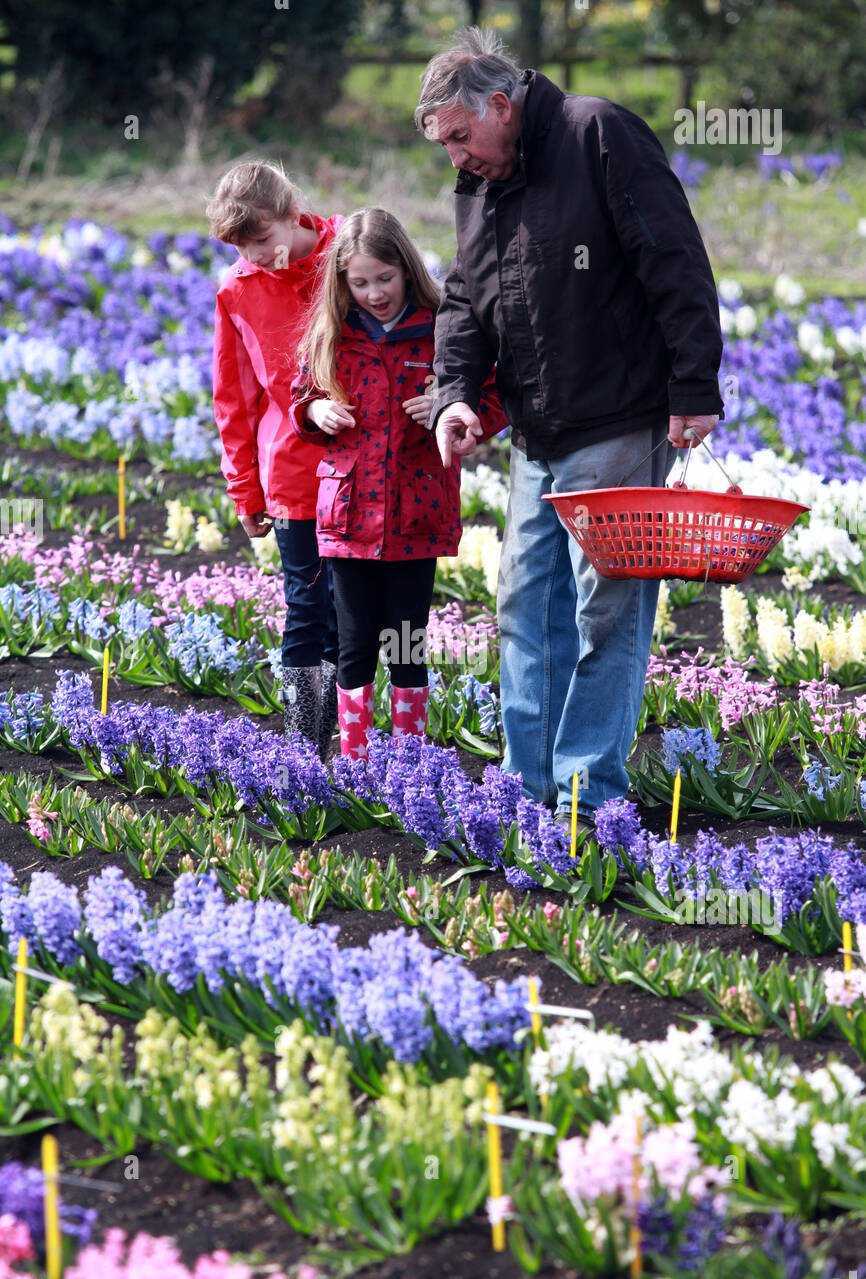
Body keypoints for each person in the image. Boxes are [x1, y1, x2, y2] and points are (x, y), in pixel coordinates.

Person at [416, 28, 723, 828]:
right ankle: (528, 788)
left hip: (619, 415)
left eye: (458, 136)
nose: (455, 156)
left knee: (607, 608)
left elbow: (674, 259)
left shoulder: (598, 133)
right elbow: (463, 300)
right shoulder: (481, 186)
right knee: (524, 605)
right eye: (444, 145)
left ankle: (590, 793)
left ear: (499, 103)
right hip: (536, 432)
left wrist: (694, 383)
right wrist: (454, 395)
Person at [289, 207, 506, 760]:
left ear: (407, 269)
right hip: (350, 515)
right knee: (356, 640)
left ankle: (411, 760)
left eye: (384, 278)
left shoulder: (443, 329)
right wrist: (316, 414)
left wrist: (452, 404)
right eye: (359, 283)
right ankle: (356, 760)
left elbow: (494, 394)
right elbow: (299, 397)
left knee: (407, 642)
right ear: (342, 282)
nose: (374, 293)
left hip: (418, 513)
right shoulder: (333, 335)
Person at [207, 160, 343, 757]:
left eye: (262, 240)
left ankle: (351, 742)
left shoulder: (350, 257)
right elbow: (233, 398)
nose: (255, 256)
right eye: (242, 248)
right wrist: (244, 489)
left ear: (293, 215)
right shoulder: (237, 290)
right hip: (290, 476)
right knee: (308, 605)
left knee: (355, 613)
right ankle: (302, 750)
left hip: (364, 469)